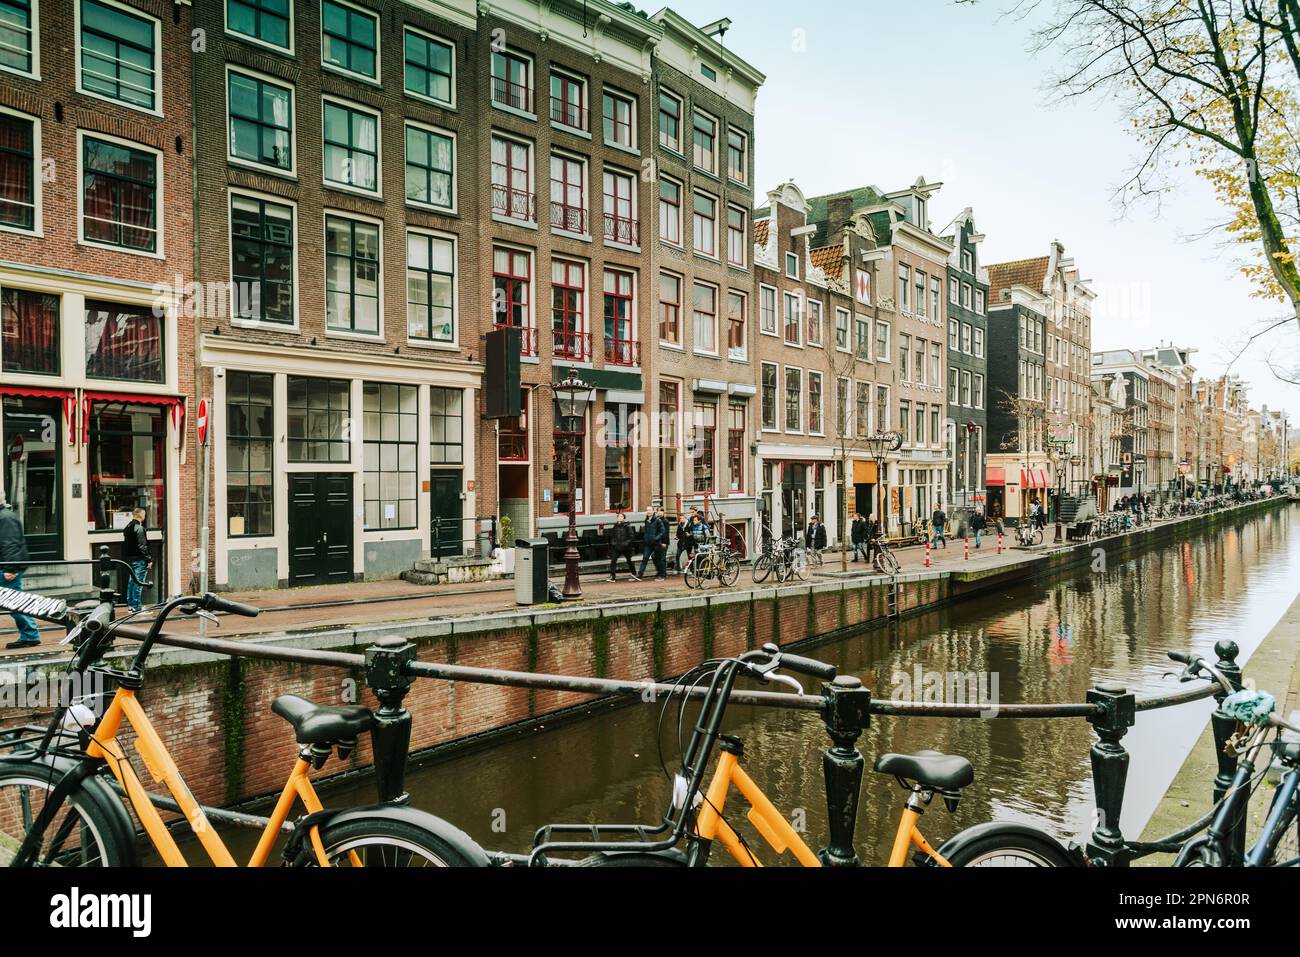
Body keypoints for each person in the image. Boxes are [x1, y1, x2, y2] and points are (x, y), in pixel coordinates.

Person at [1, 499, 41, 649]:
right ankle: (30, 635)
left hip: (6, 569)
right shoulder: (5, 516)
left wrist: (10, 568)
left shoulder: (5, 518)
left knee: (14, 601)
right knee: (14, 601)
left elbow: (10, 543)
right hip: (6, 567)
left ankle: (30, 635)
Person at [122, 506, 152, 612]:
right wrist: (148, 559)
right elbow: (142, 546)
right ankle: (137, 607)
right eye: (144, 514)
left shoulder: (127, 527)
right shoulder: (139, 528)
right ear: (141, 515)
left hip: (129, 559)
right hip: (139, 559)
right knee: (138, 583)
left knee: (131, 582)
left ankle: (131, 605)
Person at [605, 512, 638, 582]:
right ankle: (613, 576)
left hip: (626, 547)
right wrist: (614, 543)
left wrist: (625, 544)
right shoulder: (615, 526)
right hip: (617, 547)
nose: (620, 518)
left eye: (621, 517)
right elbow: (612, 536)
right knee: (613, 560)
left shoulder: (627, 526)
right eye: (619, 517)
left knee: (629, 560)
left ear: (624, 518)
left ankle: (634, 574)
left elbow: (631, 536)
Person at [638, 507, 668, 581]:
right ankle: (639, 575)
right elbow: (646, 531)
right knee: (645, 558)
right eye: (647, 510)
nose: (648, 512)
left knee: (659, 559)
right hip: (648, 543)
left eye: (650, 510)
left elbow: (663, 531)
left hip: (656, 543)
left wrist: (656, 538)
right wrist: (645, 538)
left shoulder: (658, 520)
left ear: (653, 511)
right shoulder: (646, 520)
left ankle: (662, 575)